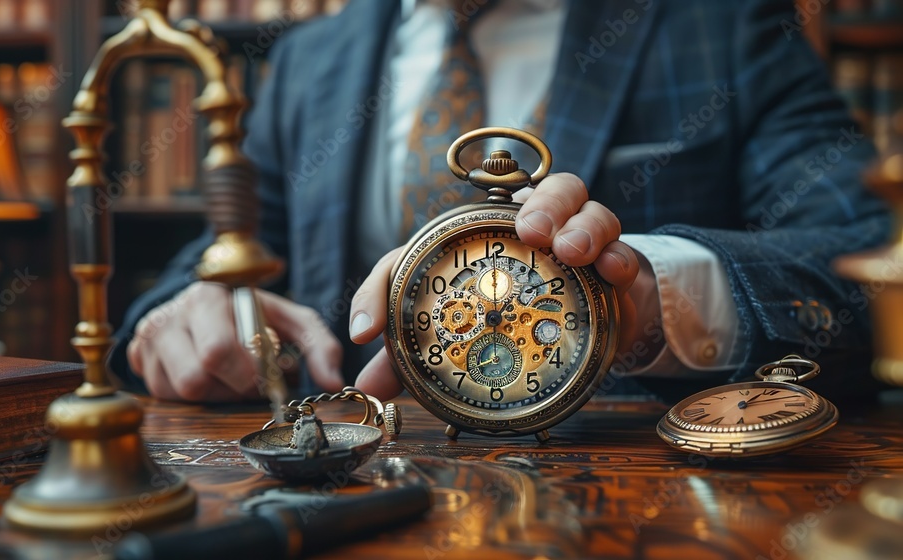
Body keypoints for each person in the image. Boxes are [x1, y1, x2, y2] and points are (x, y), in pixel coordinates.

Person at [111, 0, 891, 403]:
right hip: (348, 488)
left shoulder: (719, 24)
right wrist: (193, 308)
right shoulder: (310, 60)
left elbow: (871, 259)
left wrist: (653, 299)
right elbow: (230, 253)